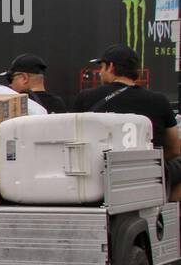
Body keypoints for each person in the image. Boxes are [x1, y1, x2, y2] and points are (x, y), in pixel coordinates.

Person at [73, 44, 181, 200]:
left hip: (96, 178)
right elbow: (175, 148)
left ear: (111, 67)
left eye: (102, 67)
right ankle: (167, 209)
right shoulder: (159, 100)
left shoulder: (85, 97)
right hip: (148, 176)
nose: (100, 72)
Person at [1, 53, 65, 113]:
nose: (10, 84)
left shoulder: (18, 104)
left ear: (24, 78)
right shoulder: (58, 103)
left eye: (10, 79)